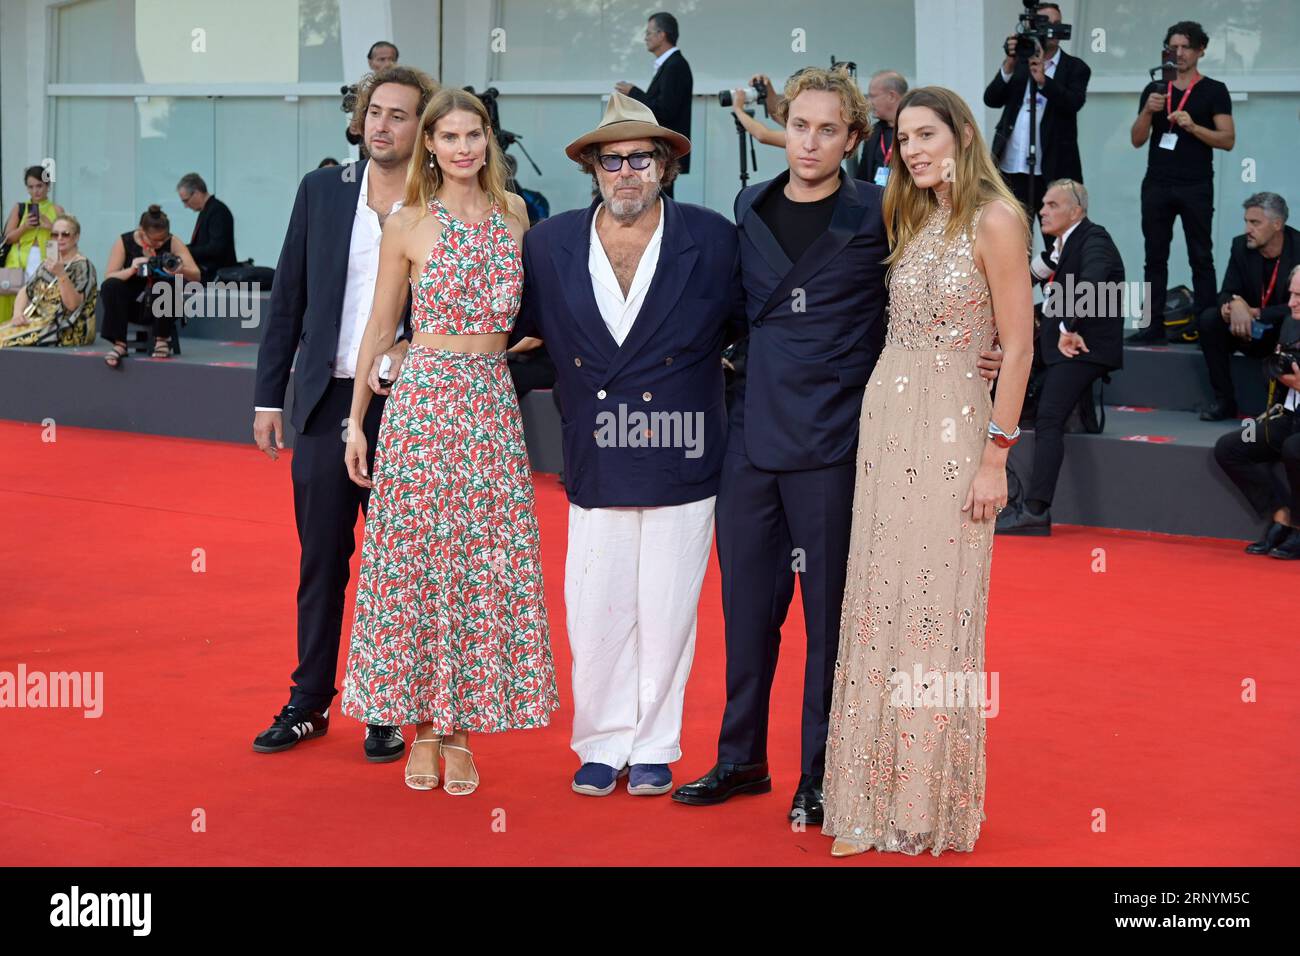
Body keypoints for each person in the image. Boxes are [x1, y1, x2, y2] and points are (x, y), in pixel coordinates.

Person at [671, 69, 1005, 824]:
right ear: (781, 129)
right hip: (752, 438)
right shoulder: (747, 204)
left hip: (836, 442)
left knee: (831, 622)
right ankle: (740, 759)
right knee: (748, 609)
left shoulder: (884, 211)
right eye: (798, 126)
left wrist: (984, 352)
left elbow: (951, 289)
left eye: (829, 129)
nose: (810, 142)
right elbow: (734, 315)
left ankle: (819, 775)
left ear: (856, 138)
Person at [501, 94, 739, 797]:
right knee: (596, 603)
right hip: (597, 450)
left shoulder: (713, 237)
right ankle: (602, 740)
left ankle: (657, 741)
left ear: (665, 166)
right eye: (613, 160)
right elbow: (519, 330)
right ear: (593, 169)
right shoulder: (548, 243)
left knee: (669, 606)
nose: (627, 172)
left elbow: (754, 325)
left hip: (684, 449)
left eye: (642, 158)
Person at [823, 86, 1033, 858]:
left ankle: (923, 804)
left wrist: (996, 457)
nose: (910, 150)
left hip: (954, 430)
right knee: (879, 601)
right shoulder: (910, 216)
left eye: (925, 134)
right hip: (888, 422)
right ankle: (865, 799)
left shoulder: (996, 219)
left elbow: (1018, 345)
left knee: (937, 614)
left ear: (963, 133)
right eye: (901, 137)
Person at [340, 88, 559, 795]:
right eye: (450, 137)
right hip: (425, 405)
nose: (464, 148)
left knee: (477, 563)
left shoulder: (516, 215)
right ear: (429, 146)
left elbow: (538, 307)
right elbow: (379, 329)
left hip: (492, 402)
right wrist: (355, 420)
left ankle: (460, 726)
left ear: (487, 141)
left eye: (475, 135)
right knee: (422, 562)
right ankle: (426, 727)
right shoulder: (406, 223)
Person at [250, 65, 438, 760]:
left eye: (400, 115)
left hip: (406, 407)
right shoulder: (321, 194)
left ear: (421, 128)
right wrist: (272, 397)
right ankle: (307, 701)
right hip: (326, 399)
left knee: (397, 564)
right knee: (321, 558)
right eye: (375, 113)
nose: (383, 126)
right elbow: (288, 299)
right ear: (361, 119)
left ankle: (386, 704)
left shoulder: (439, 204)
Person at [997, 180, 1124, 536]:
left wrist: (1069, 326)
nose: (1043, 211)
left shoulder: (1095, 239)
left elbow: (1095, 279)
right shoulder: (1060, 246)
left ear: (1076, 211)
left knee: (1049, 419)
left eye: (1053, 205)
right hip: (1061, 346)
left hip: (1083, 347)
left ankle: (1036, 511)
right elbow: (1027, 277)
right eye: (1043, 205)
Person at [1129, 20, 1234, 344]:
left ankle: (1207, 326)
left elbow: (1227, 139)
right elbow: (1136, 139)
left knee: (1201, 256)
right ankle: (1152, 325)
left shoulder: (1213, 90)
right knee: (1154, 256)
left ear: (1200, 50)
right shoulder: (1156, 88)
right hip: (1158, 183)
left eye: (1186, 47)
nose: (1179, 53)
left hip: (1195, 184)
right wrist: (1148, 111)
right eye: (1173, 47)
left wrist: (1193, 127)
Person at [1213, 265, 1300, 560]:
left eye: (1299, 296)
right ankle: (1281, 513)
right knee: (1229, 447)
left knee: (1294, 448)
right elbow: (1270, 369)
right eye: (1291, 294)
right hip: (1288, 418)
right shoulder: (1290, 322)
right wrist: (1278, 371)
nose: (1291, 303)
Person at [984, 3, 1090, 232]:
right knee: (1016, 236)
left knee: (1058, 239)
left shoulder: (1075, 67)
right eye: (1044, 24)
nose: (1050, 29)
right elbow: (991, 99)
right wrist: (1009, 64)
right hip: (1013, 166)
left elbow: (1073, 103)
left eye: (1055, 24)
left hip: (1054, 169)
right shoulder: (1020, 63)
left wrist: (1043, 81)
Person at [1196, 193, 1299, 421]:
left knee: (1293, 321)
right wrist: (1233, 304)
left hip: (1280, 332)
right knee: (1209, 319)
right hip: (1245, 329)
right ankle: (1224, 401)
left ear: (1277, 224)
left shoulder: (1298, 248)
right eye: (1246, 221)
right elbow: (1225, 291)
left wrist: (1259, 312)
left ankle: (1282, 408)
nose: (1247, 229)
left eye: (1255, 223)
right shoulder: (1241, 246)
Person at [99, 205, 200, 365]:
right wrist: (132, 269)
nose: (158, 244)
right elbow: (109, 277)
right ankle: (119, 343)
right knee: (111, 286)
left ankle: (161, 339)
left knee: (164, 283)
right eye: (154, 240)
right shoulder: (125, 241)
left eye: (162, 239)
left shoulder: (173, 242)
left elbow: (196, 275)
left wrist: (181, 270)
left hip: (163, 306)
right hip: (133, 305)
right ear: (141, 231)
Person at [616, 12, 692, 197]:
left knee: (660, 203)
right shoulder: (671, 65)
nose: (645, 38)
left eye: (649, 33)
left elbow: (666, 110)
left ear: (662, 34)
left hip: (665, 151)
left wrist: (634, 93)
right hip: (661, 151)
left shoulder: (675, 66)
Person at [0, 215, 97, 348]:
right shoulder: (48, 263)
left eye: (65, 234)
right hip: (38, 322)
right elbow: (26, 290)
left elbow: (73, 305)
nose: (59, 238)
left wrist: (61, 274)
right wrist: (17, 313)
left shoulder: (83, 266)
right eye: (55, 234)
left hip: (68, 329)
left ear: (76, 237)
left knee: (2, 341)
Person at [1, 166, 64, 327]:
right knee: (13, 296)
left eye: (39, 186)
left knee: (40, 297)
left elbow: (65, 239)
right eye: (31, 187)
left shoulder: (56, 210)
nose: (35, 191)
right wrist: (25, 227)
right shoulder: (20, 208)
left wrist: (50, 227)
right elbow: (7, 238)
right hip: (19, 260)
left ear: (48, 186)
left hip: (46, 259)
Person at [177, 173, 237, 282]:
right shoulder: (207, 210)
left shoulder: (217, 211)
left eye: (186, 200)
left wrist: (186, 251)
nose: (186, 206)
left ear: (196, 193)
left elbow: (216, 248)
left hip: (217, 277)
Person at [855, 70, 908, 186]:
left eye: (873, 96)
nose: (868, 103)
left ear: (891, 96)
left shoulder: (916, 132)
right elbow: (862, 177)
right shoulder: (872, 132)